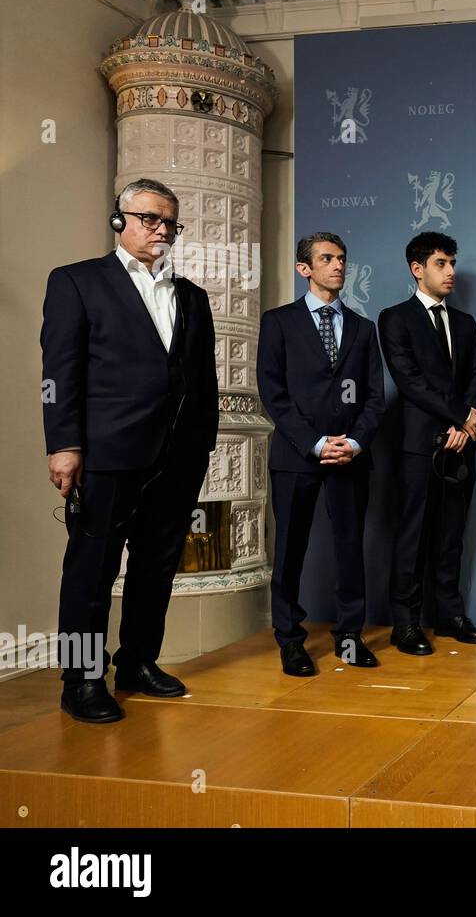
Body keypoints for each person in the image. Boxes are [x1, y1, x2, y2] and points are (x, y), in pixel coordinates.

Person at [41, 178, 218, 722]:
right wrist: (64, 445)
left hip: (178, 456)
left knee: (156, 565)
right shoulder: (76, 282)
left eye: (170, 222)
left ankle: (138, 662)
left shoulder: (192, 295)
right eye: (149, 219)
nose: (160, 229)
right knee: (90, 571)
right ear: (119, 221)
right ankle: (82, 681)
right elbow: (60, 371)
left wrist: (202, 444)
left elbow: (201, 378)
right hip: (107, 454)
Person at [257, 233, 387, 676]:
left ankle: (350, 637)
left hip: (350, 458)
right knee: (291, 549)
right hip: (297, 457)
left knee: (351, 549)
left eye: (342, 259)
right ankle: (290, 640)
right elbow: (273, 395)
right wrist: (315, 443)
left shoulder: (363, 329)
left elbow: (374, 398)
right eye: (327, 259)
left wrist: (352, 443)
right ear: (304, 269)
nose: (337, 266)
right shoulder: (278, 323)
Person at [378, 232, 476, 653]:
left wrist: (466, 426)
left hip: (462, 443)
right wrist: (458, 415)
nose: (451, 272)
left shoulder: (465, 323)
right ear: (417, 268)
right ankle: (404, 624)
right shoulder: (394, 318)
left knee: (451, 534)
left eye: (452, 263)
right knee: (412, 535)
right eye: (441, 263)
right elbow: (410, 381)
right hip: (417, 445)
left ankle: (449, 615)